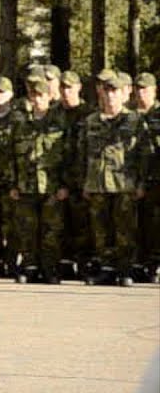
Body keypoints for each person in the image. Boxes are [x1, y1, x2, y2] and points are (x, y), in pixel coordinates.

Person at [74, 73, 151, 286]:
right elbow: (81, 153)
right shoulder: (91, 121)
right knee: (101, 231)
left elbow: (144, 154)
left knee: (124, 230)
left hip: (124, 184)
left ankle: (125, 270)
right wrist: (83, 182)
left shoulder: (134, 121)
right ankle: (106, 269)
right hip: (97, 184)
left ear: (123, 95)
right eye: (106, 92)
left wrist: (141, 182)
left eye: (114, 92)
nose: (110, 97)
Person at [7, 80, 71, 284]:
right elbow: (11, 156)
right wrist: (13, 184)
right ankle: (30, 267)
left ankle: (50, 268)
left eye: (41, 96)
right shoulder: (22, 125)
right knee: (27, 230)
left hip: (51, 187)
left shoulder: (59, 124)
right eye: (33, 96)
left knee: (51, 231)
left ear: (49, 97)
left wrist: (65, 184)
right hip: (26, 186)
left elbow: (69, 156)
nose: (37, 100)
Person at [0, 77, 23, 278]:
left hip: (11, 181)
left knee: (13, 225)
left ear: (10, 94)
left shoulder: (18, 119)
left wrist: (16, 181)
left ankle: (12, 262)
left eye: (1, 92)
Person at [58, 70, 94, 280]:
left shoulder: (88, 114)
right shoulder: (54, 113)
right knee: (60, 224)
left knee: (83, 225)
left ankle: (84, 264)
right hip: (59, 179)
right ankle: (64, 264)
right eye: (62, 87)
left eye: (69, 87)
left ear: (79, 87)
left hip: (81, 179)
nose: (65, 91)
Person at [135, 73, 159, 282]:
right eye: (138, 89)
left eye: (145, 89)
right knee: (140, 224)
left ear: (154, 90)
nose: (141, 93)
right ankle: (142, 264)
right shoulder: (131, 116)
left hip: (158, 179)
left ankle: (155, 264)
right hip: (138, 180)